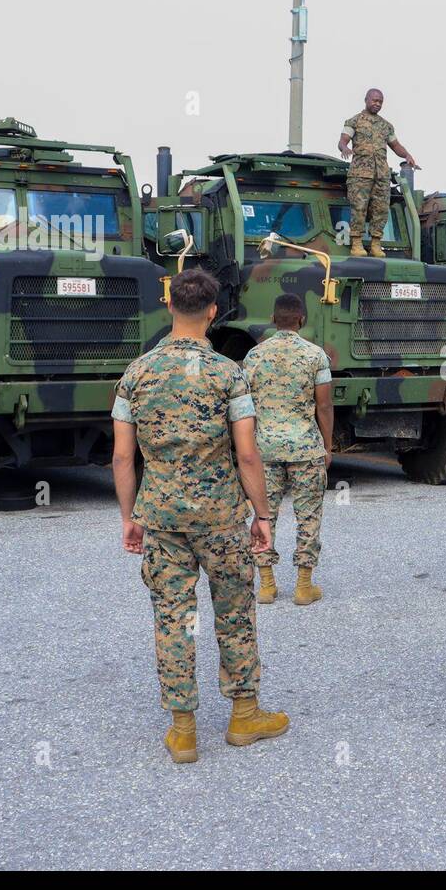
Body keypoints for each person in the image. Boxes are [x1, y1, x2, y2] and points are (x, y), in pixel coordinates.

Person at [111, 268, 287, 764]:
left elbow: (123, 458)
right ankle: (244, 716)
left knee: (173, 619)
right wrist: (263, 514)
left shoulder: (136, 374)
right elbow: (248, 455)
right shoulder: (230, 374)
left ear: (169, 305)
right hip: (222, 518)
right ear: (213, 312)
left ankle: (184, 730)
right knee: (235, 614)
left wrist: (130, 516)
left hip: (162, 519)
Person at [244, 294, 334, 607]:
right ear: (301, 320)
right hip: (306, 448)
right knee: (308, 517)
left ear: (273, 318)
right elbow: (323, 404)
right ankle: (303, 587)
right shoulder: (316, 355)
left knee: (264, 515)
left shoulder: (254, 357)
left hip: (264, 450)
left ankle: (267, 585)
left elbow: (246, 408)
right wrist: (327, 445)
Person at [338, 88, 419, 259]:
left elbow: (396, 145)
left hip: (381, 175)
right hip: (360, 174)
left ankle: (376, 243)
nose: (377, 104)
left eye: (380, 101)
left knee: (381, 209)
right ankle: (357, 243)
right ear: (366, 100)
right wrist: (345, 147)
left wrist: (407, 155)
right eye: (374, 100)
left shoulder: (386, 126)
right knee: (359, 208)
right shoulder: (354, 121)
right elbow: (343, 140)